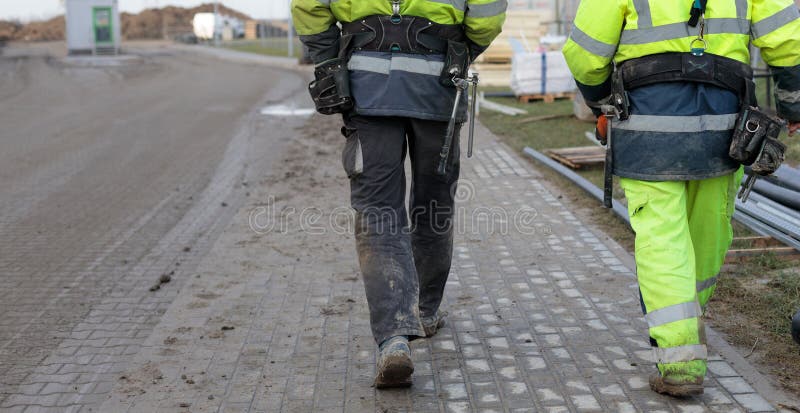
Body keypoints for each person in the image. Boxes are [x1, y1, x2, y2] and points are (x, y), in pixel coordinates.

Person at [563, 0, 800, 397]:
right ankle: (690, 321)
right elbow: (788, 38)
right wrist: (793, 103)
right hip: (726, 128)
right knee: (708, 232)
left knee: (662, 239)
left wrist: (603, 102)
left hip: (646, 126)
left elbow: (585, 52)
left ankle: (680, 357)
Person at [291, 0, 506, 388]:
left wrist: (328, 58)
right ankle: (423, 311)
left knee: (377, 212)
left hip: (365, 90)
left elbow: (308, 6)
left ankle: (393, 336)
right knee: (433, 206)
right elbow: (487, 16)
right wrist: (456, 51)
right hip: (440, 89)